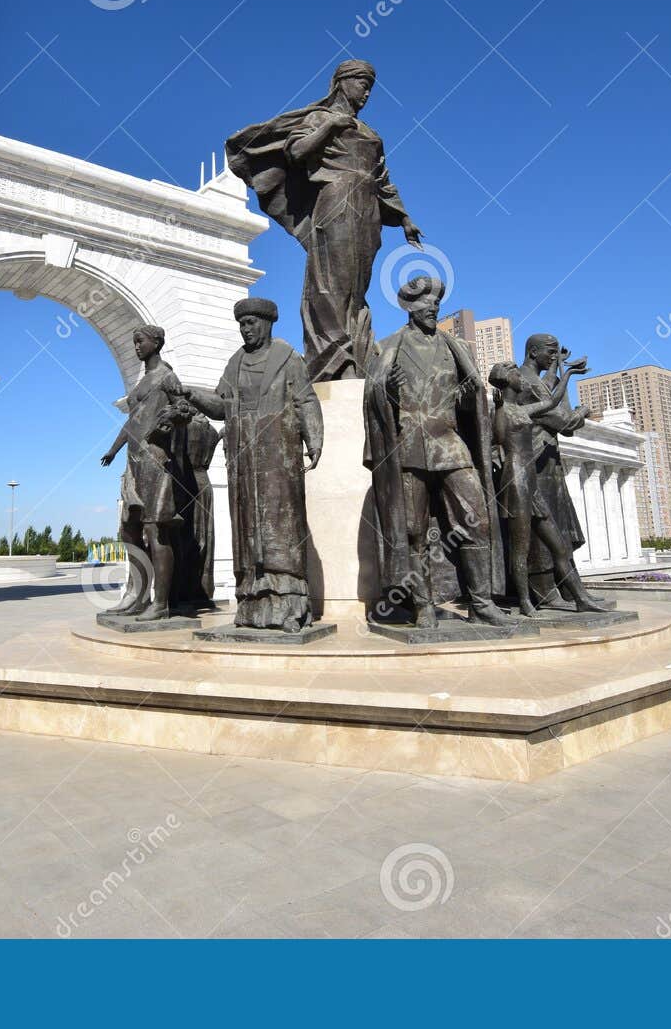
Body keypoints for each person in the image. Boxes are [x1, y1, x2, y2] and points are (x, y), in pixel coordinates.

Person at [225, 59, 423, 383]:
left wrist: (404, 218)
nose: (367, 92)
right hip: (336, 201)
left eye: (371, 86)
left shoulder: (371, 134)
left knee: (357, 289)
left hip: (368, 209)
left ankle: (358, 356)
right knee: (330, 283)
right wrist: (330, 127)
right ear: (342, 82)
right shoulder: (319, 118)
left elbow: (383, 179)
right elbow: (296, 152)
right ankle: (335, 361)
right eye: (362, 83)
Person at [362, 276, 512, 628]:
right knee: (413, 531)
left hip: (449, 444)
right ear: (410, 308)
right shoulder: (388, 347)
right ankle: (423, 605)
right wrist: (388, 391)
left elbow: (472, 397)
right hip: (409, 447)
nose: (433, 309)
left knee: (478, 519)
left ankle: (481, 602)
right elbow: (371, 399)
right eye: (426, 304)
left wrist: (467, 398)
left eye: (436, 305)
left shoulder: (454, 347)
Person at [187, 297, 324, 632]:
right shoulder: (235, 363)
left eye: (251, 323)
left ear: (267, 323)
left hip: (279, 454)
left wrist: (315, 438)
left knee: (281, 524)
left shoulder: (288, 359)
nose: (245, 330)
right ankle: (251, 602)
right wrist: (190, 393)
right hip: (243, 459)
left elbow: (306, 399)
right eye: (241, 324)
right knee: (247, 526)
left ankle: (288, 602)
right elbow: (220, 406)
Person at [492, 335, 608, 613]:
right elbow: (562, 420)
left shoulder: (523, 399)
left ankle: (573, 594)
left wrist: (561, 369)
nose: (553, 356)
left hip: (533, 474)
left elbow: (548, 400)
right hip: (526, 475)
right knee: (528, 545)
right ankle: (535, 596)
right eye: (551, 352)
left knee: (556, 540)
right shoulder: (516, 401)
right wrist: (583, 409)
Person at [99, 325, 191, 620]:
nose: (136, 346)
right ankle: (135, 595)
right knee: (128, 529)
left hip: (155, 458)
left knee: (155, 529)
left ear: (157, 342)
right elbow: (131, 422)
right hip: (133, 459)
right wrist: (113, 450)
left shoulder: (168, 377)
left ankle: (160, 603)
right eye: (134, 341)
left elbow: (185, 410)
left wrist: (173, 418)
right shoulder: (142, 382)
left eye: (141, 341)